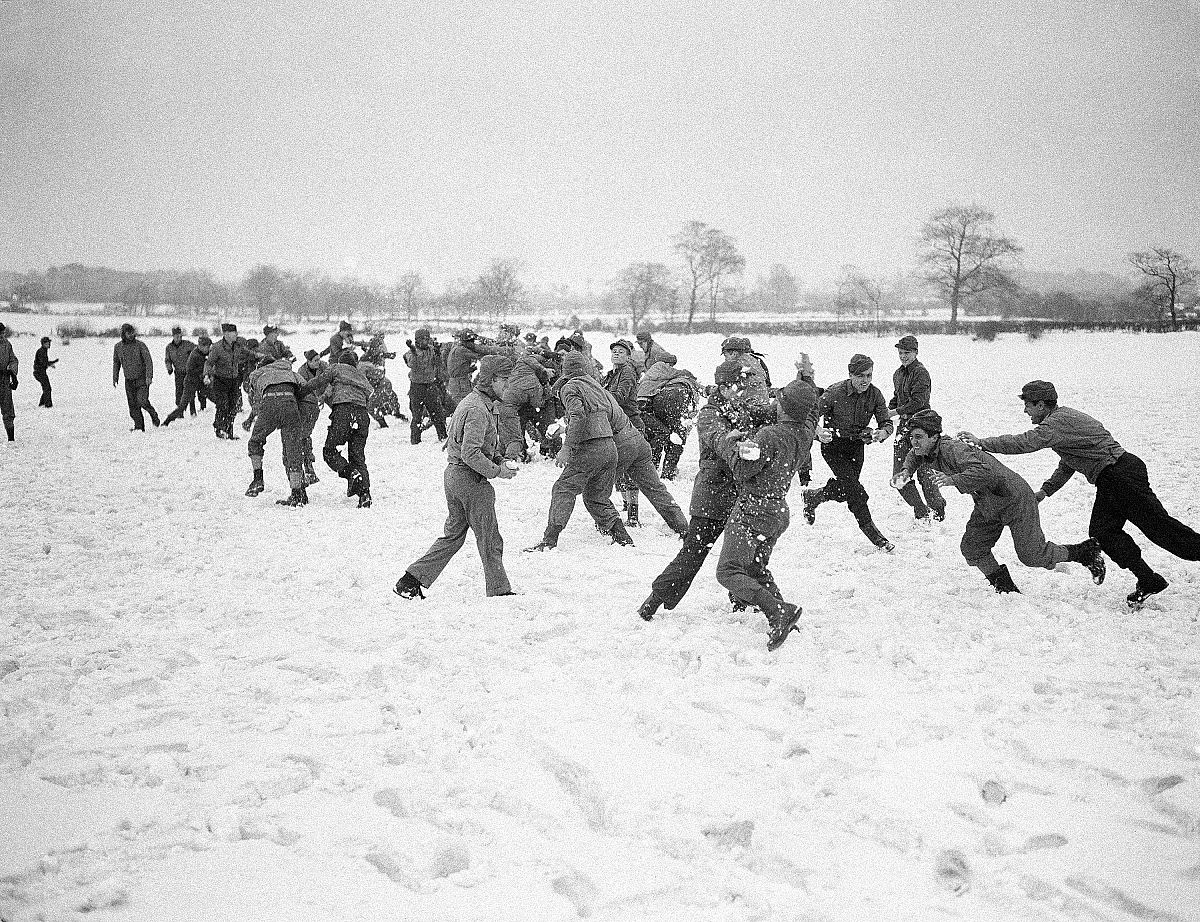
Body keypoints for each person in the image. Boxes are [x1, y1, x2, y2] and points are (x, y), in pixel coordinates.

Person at [959, 381, 1200, 608]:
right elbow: (1068, 463)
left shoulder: (1057, 423)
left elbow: (1025, 443)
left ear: (1041, 405)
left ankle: (1161, 571)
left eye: (1028, 405)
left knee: (1161, 529)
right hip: (1113, 478)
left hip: (1120, 476)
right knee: (1103, 532)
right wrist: (1046, 491)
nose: (1025, 411)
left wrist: (983, 443)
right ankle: (1148, 579)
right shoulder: (1063, 422)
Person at [896, 409, 1106, 594]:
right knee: (973, 548)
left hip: (1015, 499)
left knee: (1032, 556)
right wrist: (906, 471)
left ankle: (1084, 552)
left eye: (918, 437)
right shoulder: (926, 449)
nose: (914, 442)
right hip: (988, 503)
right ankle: (1006, 590)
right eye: (912, 437)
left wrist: (953, 480)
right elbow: (914, 455)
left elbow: (984, 471)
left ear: (934, 437)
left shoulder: (954, 449)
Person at [638, 359, 776, 621]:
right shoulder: (710, 414)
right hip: (713, 496)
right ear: (723, 388)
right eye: (738, 386)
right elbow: (720, 440)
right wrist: (741, 447)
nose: (743, 391)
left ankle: (744, 600)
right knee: (693, 553)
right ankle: (655, 600)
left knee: (747, 552)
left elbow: (775, 413)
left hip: (739, 494)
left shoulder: (742, 408)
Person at [395, 356, 519, 600]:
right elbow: (470, 453)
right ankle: (499, 591)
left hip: (454, 476)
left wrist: (499, 460)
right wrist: (497, 471)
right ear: (492, 380)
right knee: (489, 537)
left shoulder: (476, 402)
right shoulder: (477, 409)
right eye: (505, 380)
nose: (509, 386)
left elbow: (475, 446)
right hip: (469, 480)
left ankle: (410, 580)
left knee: (453, 536)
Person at [715, 378, 818, 651]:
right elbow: (813, 412)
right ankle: (783, 617)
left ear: (783, 407)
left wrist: (731, 444)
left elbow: (742, 470)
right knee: (755, 568)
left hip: (753, 510)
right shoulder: (806, 433)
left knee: (728, 571)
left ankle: (778, 611)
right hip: (777, 511)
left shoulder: (769, 436)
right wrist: (807, 380)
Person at [525, 352, 633, 551]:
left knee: (563, 488)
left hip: (590, 448)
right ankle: (622, 538)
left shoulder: (570, 387)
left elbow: (578, 416)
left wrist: (567, 448)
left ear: (565, 370)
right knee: (596, 497)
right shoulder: (595, 386)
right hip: (609, 446)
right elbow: (601, 416)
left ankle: (549, 541)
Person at [801, 354, 894, 550]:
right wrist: (818, 432)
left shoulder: (875, 394)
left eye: (869, 375)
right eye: (860, 376)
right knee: (856, 492)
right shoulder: (835, 392)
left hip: (856, 447)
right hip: (833, 447)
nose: (865, 380)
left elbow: (886, 422)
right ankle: (876, 537)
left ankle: (814, 496)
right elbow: (810, 415)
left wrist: (882, 432)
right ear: (850, 374)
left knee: (847, 490)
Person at [301, 351, 375, 507]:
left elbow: (318, 382)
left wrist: (300, 392)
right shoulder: (361, 376)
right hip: (362, 415)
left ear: (341, 362)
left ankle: (350, 473)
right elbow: (369, 395)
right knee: (358, 457)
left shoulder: (336, 368)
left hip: (343, 412)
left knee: (329, 451)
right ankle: (365, 494)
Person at [888, 335, 945, 522]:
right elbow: (897, 398)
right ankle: (921, 511)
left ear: (916, 352)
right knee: (899, 475)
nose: (903, 356)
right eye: (900, 353)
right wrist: (885, 411)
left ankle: (937, 509)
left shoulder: (921, 373)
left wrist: (895, 411)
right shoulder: (898, 374)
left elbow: (918, 402)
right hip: (903, 428)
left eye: (907, 353)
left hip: (922, 427)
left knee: (925, 472)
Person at [244, 356, 309, 506]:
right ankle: (297, 493)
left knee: (255, 441)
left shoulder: (258, 374)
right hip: (290, 404)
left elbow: (255, 400)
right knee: (292, 449)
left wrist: (253, 418)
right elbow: (305, 387)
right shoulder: (289, 371)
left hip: (269, 403)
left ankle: (258, 478)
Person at [637, 351, 700, 480]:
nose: (671, 367)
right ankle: (667, 471)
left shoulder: (656, 376)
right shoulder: (660, 367)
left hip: (647, 410)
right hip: (643, 411)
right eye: (670, 364)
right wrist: (689, 375)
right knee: (669, 434)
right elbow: (679, 373)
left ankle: (653, 468)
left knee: (658, 435)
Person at [605, 339, 644, 523]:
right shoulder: (612, 374)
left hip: (630, 425)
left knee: (629, 470)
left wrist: (599, 396)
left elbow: (619, 397)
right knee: (619, 467)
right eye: (614, 350)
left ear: (628, 356)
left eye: (621, 351)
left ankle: (633, 515)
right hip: (619, 426)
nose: (616, 353)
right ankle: (628, 506)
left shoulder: (627, 372)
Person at [112, 323, 160, 430]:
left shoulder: (140, 345)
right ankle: (139, 427)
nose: (131, 335)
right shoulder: (118, 347)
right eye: (128, 333)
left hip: (142, 379)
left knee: (142, 401)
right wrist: (115, 377)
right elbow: (116, 363)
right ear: (123, 334)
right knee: (133, 406)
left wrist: (149, 376)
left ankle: (153, 415)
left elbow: (148, 361)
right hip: (129, 380)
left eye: (132, 332)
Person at [403, 327, 448, 444]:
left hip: (430, 386)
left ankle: (443, 436)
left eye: (427, 339)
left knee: (437, 413)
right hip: (417, 387)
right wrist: (413, 350)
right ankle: (415, 441)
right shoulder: (410, 352)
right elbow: (412, 364)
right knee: (417, 416)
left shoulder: (431, 350)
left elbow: (438, 364)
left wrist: (438, 352)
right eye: (423, 339)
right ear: (417, 340)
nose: (426, 341)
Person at [203, 323, 246, 439]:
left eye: (236, 332)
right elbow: (209, 363)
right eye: (233, 333)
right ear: (226, 334)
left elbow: (247, 353)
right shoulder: (217, 347)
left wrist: (258, 355)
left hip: (234, 380)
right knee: (222, 405)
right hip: (220, 381)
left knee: (233, 407)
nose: (236, 334)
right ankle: (219, 428)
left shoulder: (238, 346)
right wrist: (206, 375)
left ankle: (229, 431)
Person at [162, 336, 212, 426]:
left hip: (200, 382)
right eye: (207, 347)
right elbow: (190, 370)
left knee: (215, 397)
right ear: (201, 346)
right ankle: (167, 421)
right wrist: (204, 372)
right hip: (190, 383)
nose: (209, 349)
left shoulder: (202, 353)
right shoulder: (195, 355)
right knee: (182, 406)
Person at [295, 349, 327, 485]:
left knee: (305, 434)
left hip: (324, 395)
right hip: (308, 404)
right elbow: (302, 390)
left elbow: (332, 381)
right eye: (315, 361)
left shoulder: (324, 366)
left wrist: (324, 395)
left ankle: (308, 466)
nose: (318, 362)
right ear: (308, 362)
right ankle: (308, 465)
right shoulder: (302, 372)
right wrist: (315, 399)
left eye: (319, 359)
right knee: (304, 434)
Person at [165, 327, 197, 417]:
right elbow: (167, 359)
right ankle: (179, 412)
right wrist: (169, 368)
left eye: (180, 336)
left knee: (190, 391)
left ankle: (192, 410)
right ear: (173, 336)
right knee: (179, 392)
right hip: (178, 372)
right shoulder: (169, 347)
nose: (178, 338)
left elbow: (198, 350)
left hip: (189, 372)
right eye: (176, 336)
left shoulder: (188, 344)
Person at [0, 322, 16, 441]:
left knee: (8, 410)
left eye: (3, 333)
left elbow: (13, 359)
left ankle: (11, 438)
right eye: (0, 334)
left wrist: (13, 372)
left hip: (4, 380)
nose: (2, 336)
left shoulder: (7, 344)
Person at [34, 336, 57, 409]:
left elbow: (44, 362)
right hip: (39, 372)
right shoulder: (41, 351)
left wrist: (53, 362)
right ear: (43, 344)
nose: (49, 345)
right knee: (47, 388)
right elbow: (43, 362)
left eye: (49, 343)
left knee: (46, 388)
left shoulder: (44, 350)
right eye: (47, 343)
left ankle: (42, 403)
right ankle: (48, 405)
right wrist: (50, 364)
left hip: (41, 372)